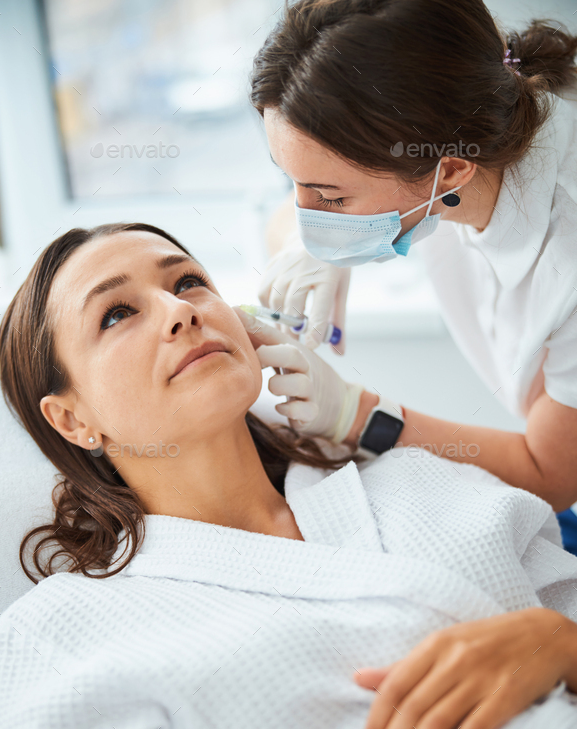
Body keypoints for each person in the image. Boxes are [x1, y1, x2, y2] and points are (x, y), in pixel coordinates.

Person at [0, 221, 577, 729]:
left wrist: (561, 643)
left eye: (189, 282)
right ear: (71, 419)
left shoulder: (420, 479)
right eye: (118, 312)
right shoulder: (58, 635)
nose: (181, 311)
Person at [246, 0, 577, 556]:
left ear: (449, 169)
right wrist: (319, 249)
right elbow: (302, 200)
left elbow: (553, 472)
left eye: (329, 197)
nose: (306, 213)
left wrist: (359, 417)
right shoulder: (457, 117)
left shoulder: (565, 257)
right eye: (292, 181)